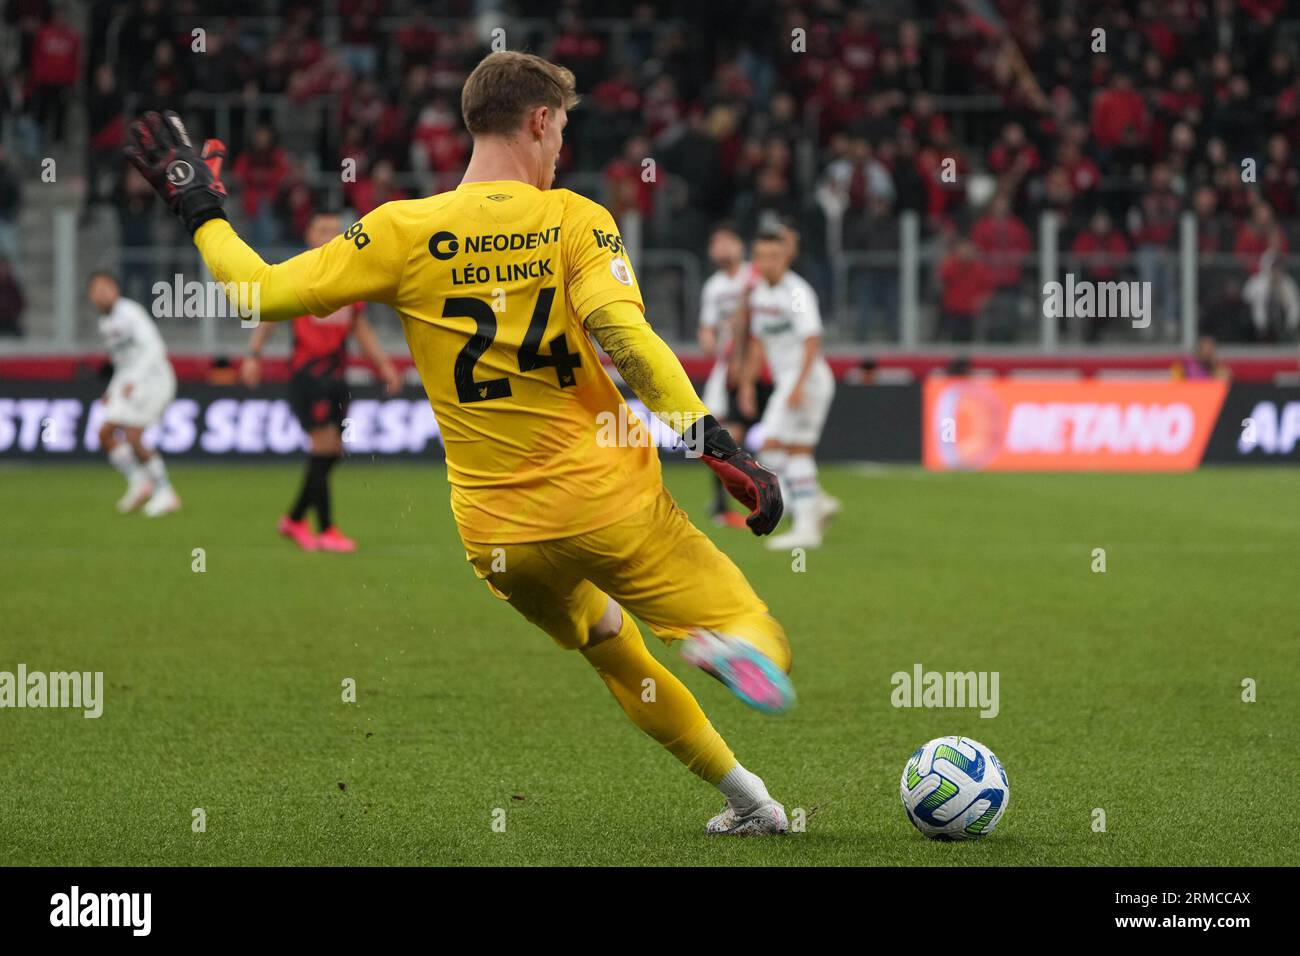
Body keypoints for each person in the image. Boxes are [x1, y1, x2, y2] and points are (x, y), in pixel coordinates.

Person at [126, 51, 793, 836]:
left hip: (499, 533)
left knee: (611, 645)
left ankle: (749, 801)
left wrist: (199, 203)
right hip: (609, 503)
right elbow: (626, 336)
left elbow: (260, 291)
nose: (561, 152)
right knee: (758, 635)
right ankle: (722, 641)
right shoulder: (574, 219)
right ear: (539, 120)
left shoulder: (404, 229)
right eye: (561, 130)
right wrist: (715, 443)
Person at [241, 211, 402, 553]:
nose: (330, 234)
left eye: (335, 229)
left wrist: (384, 367)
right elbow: (270, 312)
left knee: (332, 451)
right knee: (324, 447)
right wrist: (254, 354)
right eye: (322, 229)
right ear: (310, 236)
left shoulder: (350, 280)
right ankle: (325, 528)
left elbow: (361, 330)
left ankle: (296, 519)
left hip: (336, 378)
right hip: (307, 375)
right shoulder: (299, 274)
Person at [736, 229, 838, 550]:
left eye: (774, 256)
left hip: (806, 380)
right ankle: (814, 504)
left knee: (778, 447)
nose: (767, 262)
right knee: (787, 451)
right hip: (790, 381)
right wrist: (748, 384)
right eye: (761, 256)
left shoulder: (798, 292)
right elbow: (757, 342)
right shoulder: (760, 294)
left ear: (786, 257)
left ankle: (805, 523)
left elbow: (812, 339)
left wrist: (798, 385)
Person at [88, 271, 179, 517]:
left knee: (133, 436)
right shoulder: (105, 323)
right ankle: (139, 482)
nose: (101, 294)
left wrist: (134, 381)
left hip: (154, 379)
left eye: (106, 288)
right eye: (96, 290)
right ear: (90, 296)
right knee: (105, 433)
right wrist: (112, 389)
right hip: (130, 381)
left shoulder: (130, 313)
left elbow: (155, 348)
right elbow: (123, 363)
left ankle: (166, 493)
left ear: (116, 290)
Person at [697, 222, 758, 529]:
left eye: (725, 242)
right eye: (715, 243)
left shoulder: (753, 277)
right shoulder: (714, 287)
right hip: (726, 366)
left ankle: (758, 494)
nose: (719, 249)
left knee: (742, 430)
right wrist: (707, 338)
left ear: (739, 246)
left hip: (755, 364)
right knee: (714, 432)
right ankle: (723, 503)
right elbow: (707, 326)